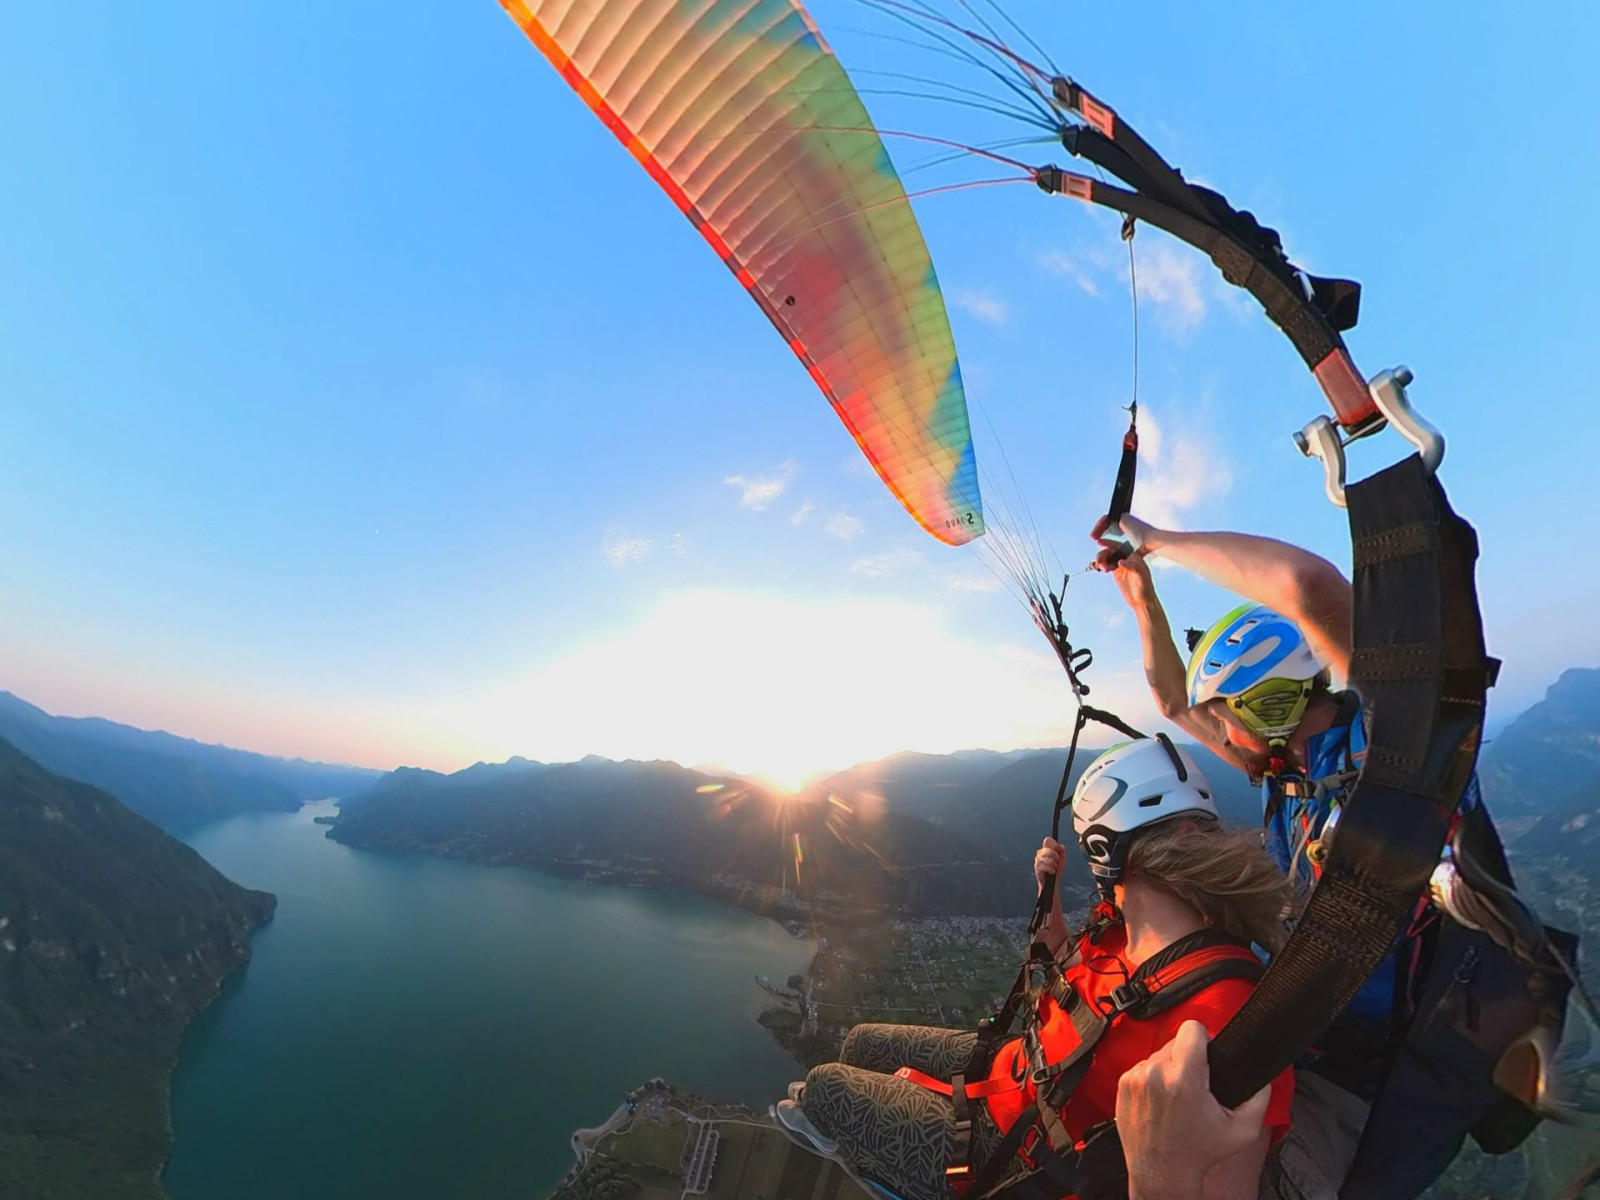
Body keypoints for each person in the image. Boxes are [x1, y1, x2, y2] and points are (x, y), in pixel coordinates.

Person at [1090, 514, 1564, 1200]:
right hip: (1317, 1040)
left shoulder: (1395, 755)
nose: (1216, 730)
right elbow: (1170, 699)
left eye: (1226, 712)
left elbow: (1310, 588)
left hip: (1381, 1084)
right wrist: (1143, 596)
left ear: (1267, 706)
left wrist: (1159, 539)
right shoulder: (1290, 771)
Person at [775, 738, 1296, 1200]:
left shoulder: (1227, 1020)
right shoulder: (1123, 928)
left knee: (823, 1089)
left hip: (1019, 1157)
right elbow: (1097, 992)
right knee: (863, 1042)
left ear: (1103, 849)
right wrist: (1053, 922)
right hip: (1017, 1075)